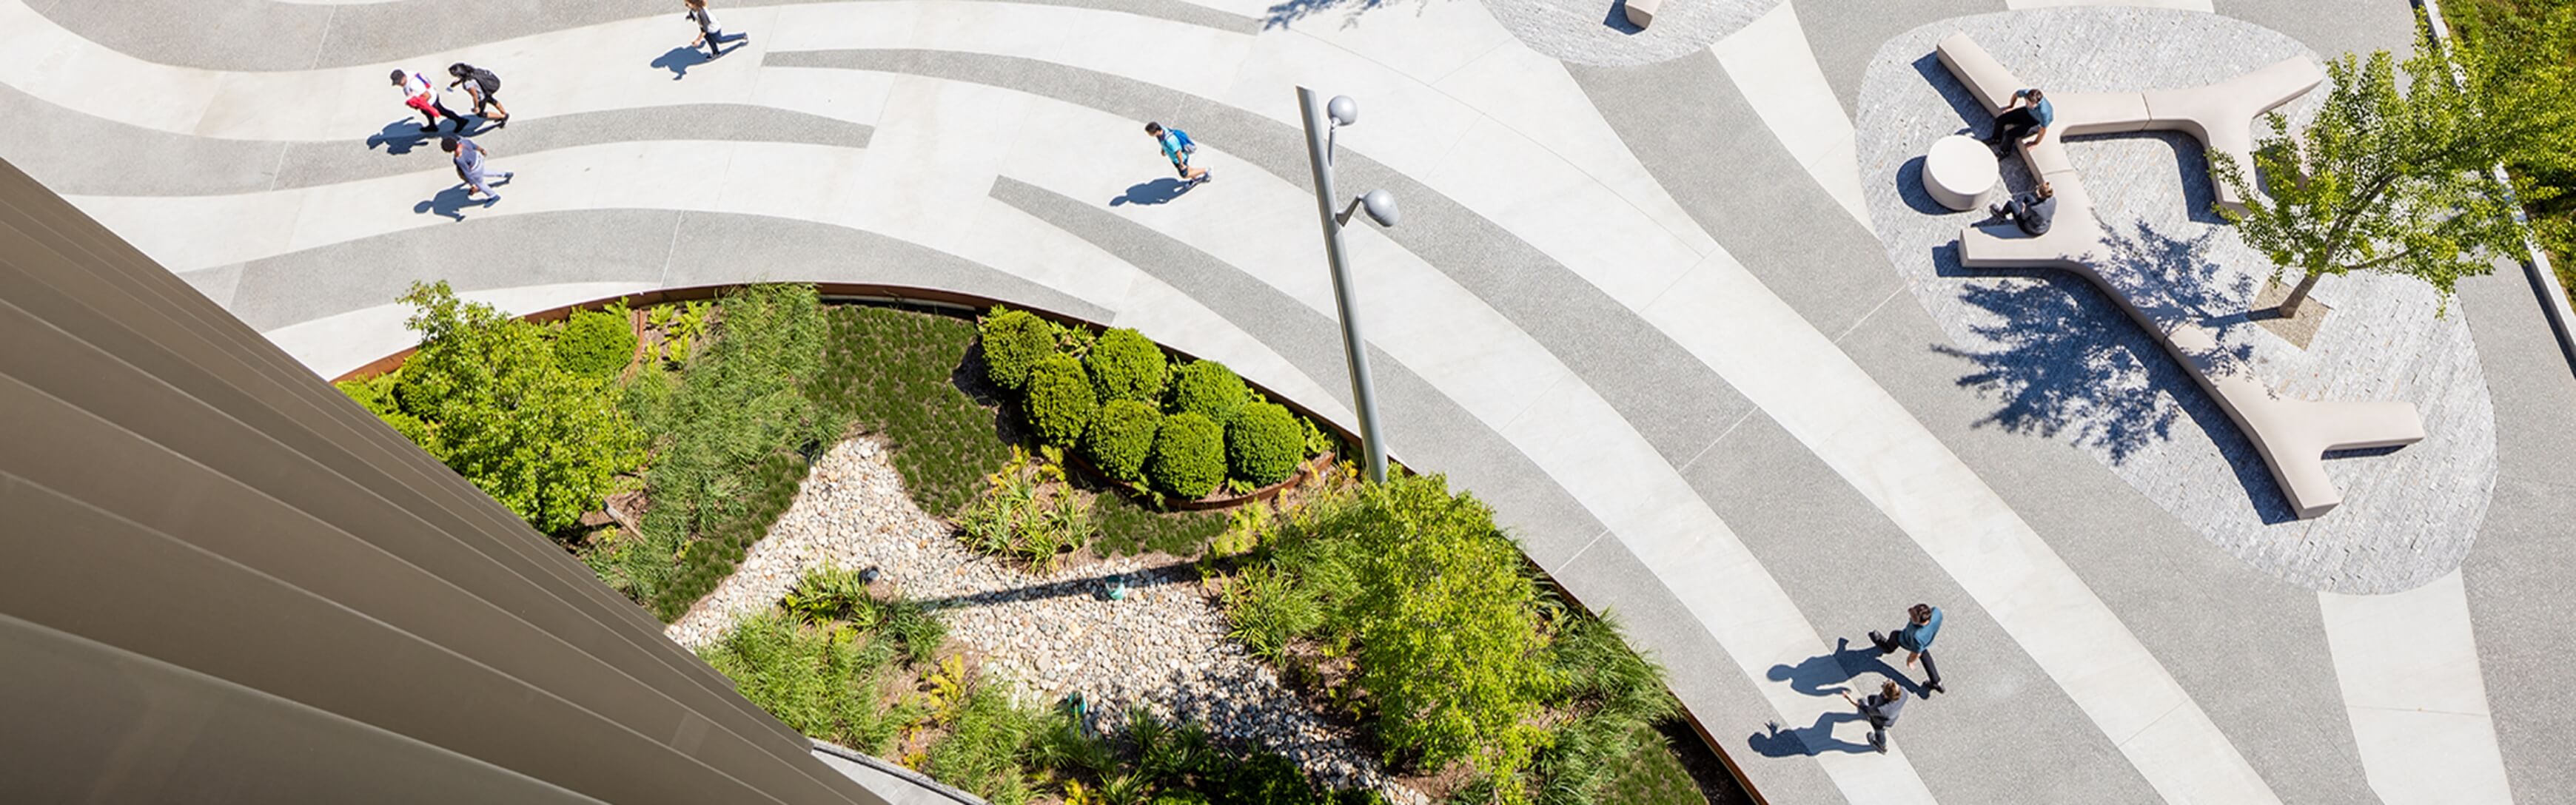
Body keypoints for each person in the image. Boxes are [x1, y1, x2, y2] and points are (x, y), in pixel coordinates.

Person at [1869, 603, 1946, 695]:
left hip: (1907, 641)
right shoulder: (1937, 613)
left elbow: (1916, 653)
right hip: (1928, 639)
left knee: (1895, 635)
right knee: (1924, 653)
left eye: (1913, 618)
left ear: (1920, 622)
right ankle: (1936, 682)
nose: (1910, 618)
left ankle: (1888, 648)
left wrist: (1910, 661)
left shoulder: (1917, 636)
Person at [391, 68, 466, 133]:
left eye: (399, 82)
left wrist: (417, 104)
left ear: (404, 77)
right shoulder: (409, 74)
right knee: (426, 112)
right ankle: (432, 126)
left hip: (431, 100)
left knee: (443, 111)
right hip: (428, 94)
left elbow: (427, 96)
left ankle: (460, 121)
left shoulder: (414, 84)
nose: (399, 84)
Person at [441, 135, 514, 203]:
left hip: (475, 169)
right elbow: (474, 146)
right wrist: (482, 150)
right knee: (484, 172)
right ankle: (505, 174)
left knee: (480, 184)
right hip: (479, 159)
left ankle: (493, 196)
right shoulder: (464, 141)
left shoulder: (459, 158)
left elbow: (467, 172)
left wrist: (473, 185)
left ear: (449, 151)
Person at [1842, 681, 1908, 754]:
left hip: (1881, 720)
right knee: (1871, 699)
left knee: (1878, 729)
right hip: (1892, 713)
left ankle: (1881, 745)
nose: (1885, 681)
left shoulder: (1881, 709)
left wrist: (1850, 699)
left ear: (1886, 696)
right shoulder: (1904, 692)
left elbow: (1866, 709)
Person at [1985, 88, 2054, 152]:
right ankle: (1996, 139)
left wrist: (2035, 143)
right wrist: (2011, 106)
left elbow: (2043, 131)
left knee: (2010, 134)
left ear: (2037, 103)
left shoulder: (2044, 113)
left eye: (2031, 105)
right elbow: (2015, 95)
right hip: (2027, 112)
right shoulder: (2026, 93)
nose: (2028, 105)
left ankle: (2004, 152)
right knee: (2001, 119)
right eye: (2027, 103)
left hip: (2036, 122)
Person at [1144, 121, 1210, 184]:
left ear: (1157, 131)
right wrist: (1163, 150)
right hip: (1175, 158)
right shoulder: (1161, 133)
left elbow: (1178, 152)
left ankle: (1205, 170)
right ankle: (1195, 178)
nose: (1149, 134)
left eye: (1150, 133)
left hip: (1180, 158)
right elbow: (1163, 143)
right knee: (1187, 168)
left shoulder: (1170, 140)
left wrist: (1181, 163)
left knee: (1185, 175)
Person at [447, 63, 510, 127]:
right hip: (486, 90)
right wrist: (454, 84)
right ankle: (504, 113)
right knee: (492, 101)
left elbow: (475, 96)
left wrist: (476, 107)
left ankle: (503, 116)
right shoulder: (472, 71)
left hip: (482, 97)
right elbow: (464, 78)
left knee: (481, 114)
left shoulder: (468, 84)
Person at [683, 0, 749, 59]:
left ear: (694, 3)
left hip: (713, 29)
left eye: (687, 4)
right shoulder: (694, 9)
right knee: (709, 39)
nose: (686, 5)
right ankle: (716, 53)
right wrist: (690, 16)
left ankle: (742, 36)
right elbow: (693, 13)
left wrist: (698, 40)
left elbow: (705, 29)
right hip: (707, 29)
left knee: (720, 40)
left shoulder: (701, 13)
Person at [1988, 181, 2057, 236]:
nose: (2036, 188)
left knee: (2011, 204)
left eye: (2038, 188)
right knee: (2028, 197)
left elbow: (2024, 217)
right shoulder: (2053, 200)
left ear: (2040, 194)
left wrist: (2024, 208)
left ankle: (2001, 215)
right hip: (2046, 226)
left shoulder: (2033, 208)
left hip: (2031, 229)